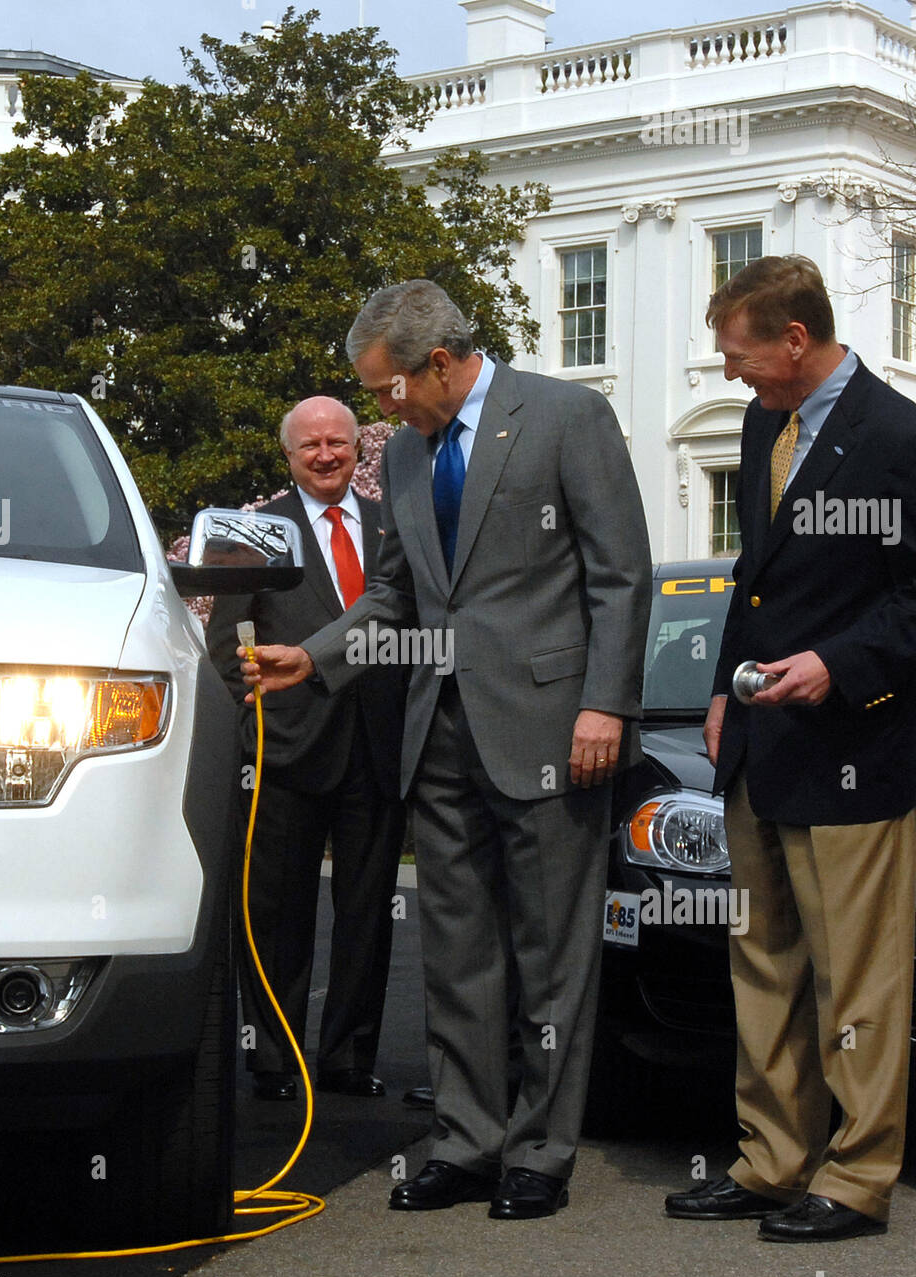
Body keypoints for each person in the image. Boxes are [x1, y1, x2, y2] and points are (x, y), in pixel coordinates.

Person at [242, 280, 651, 1218]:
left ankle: (541, 1153)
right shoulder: (416, 461)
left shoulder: (566, 416)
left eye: (387, 390)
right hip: (441, 735)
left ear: (439, 361)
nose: (380, 411)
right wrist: (311, 656)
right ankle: (467, 1142)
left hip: (553, 733)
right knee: (456, 953)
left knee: (551, 955)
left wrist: (607, 708)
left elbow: (621, 576)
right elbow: (397, 595)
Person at [665, 255, 916, 1241]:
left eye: (741, 355)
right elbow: (750, 581)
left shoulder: (896, 435)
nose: (732, 375)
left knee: (856, 975)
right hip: (759, 745)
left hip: (849, 747)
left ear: (793, 339)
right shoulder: (767, 421)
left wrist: (837, 666)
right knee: (762, 963)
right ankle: (771, 1160)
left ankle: (855, 1175)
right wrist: (721, 691)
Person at [208, 396, 407, 1102]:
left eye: (338, 443)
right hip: (285, 753)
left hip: (380, 750)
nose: (326, 455)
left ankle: (350, 1058)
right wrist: (262, 719)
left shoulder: (396, 527)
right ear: (288, 457)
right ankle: (273, 1058)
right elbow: (226, 651)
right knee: (274, 915)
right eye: (310, 447)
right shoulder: (257, 534)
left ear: (359, 448)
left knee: (367, 915)